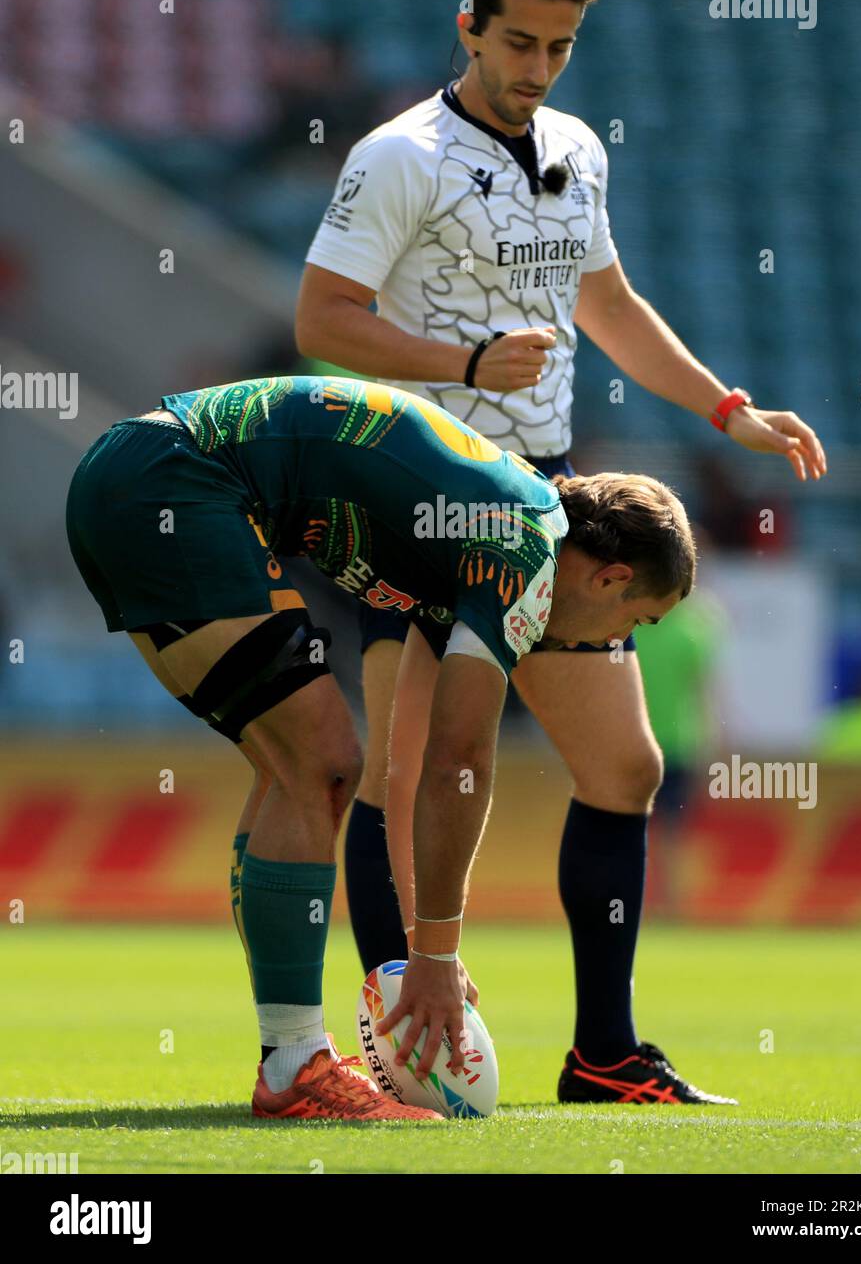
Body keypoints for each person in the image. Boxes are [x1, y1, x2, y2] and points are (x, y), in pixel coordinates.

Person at [297, 0, 826, 1104]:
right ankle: (401, 1011)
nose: (538, 67)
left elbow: (610, 303)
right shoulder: (399, 158)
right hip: (418, 495)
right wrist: (465, 359)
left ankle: (604, 1053)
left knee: (624, 765)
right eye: (519, 41)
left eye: (561, 47)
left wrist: (726, 408)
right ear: (468, 23)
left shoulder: (577, 149)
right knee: (411, 768)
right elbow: (322, 319)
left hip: (541, 494)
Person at [65, 373, 693, 1118]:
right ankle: (294, 1067)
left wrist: (425, 946)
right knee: (321, 766)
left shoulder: (503, 512)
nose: (617, 642)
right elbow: (460, 766)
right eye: (635, 621)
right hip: (178, 482)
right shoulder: (522, 547)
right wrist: (432, 956)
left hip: (135, 474)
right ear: (610, 576)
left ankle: (288, 1057)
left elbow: (428, 762)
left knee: (290, 769)